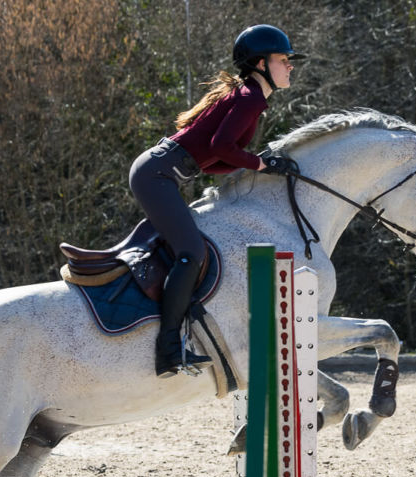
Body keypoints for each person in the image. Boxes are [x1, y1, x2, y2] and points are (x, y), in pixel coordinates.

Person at [130, 24, 306, 377]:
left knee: (190, 249)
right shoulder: (250, 98)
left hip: (159, 172)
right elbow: (221, 148)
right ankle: (167, 351)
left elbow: (215, 160)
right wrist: (259, 164)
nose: (290, 66)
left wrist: (257, 166)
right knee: (191, 253)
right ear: (261, 63)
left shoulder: (248, 96)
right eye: (283, 59)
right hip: (156, 175)